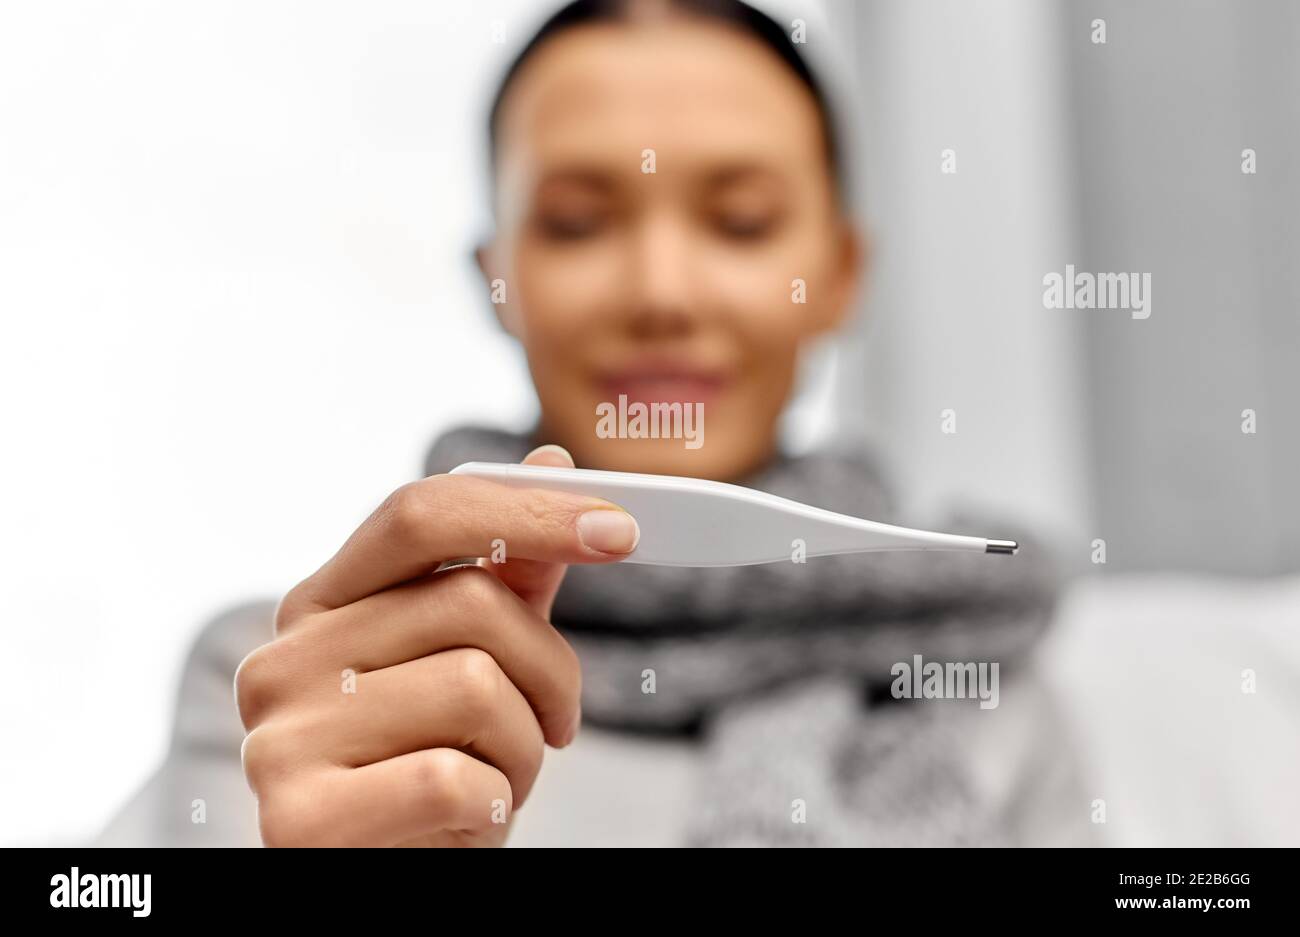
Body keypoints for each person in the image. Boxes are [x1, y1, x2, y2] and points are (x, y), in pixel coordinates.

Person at [97, 0, 1088, 848]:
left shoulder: (985, 680)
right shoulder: (302, 677)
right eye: (576, 222)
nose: (660, 293)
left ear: (835, 277)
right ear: (496, 279)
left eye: (740, 221)